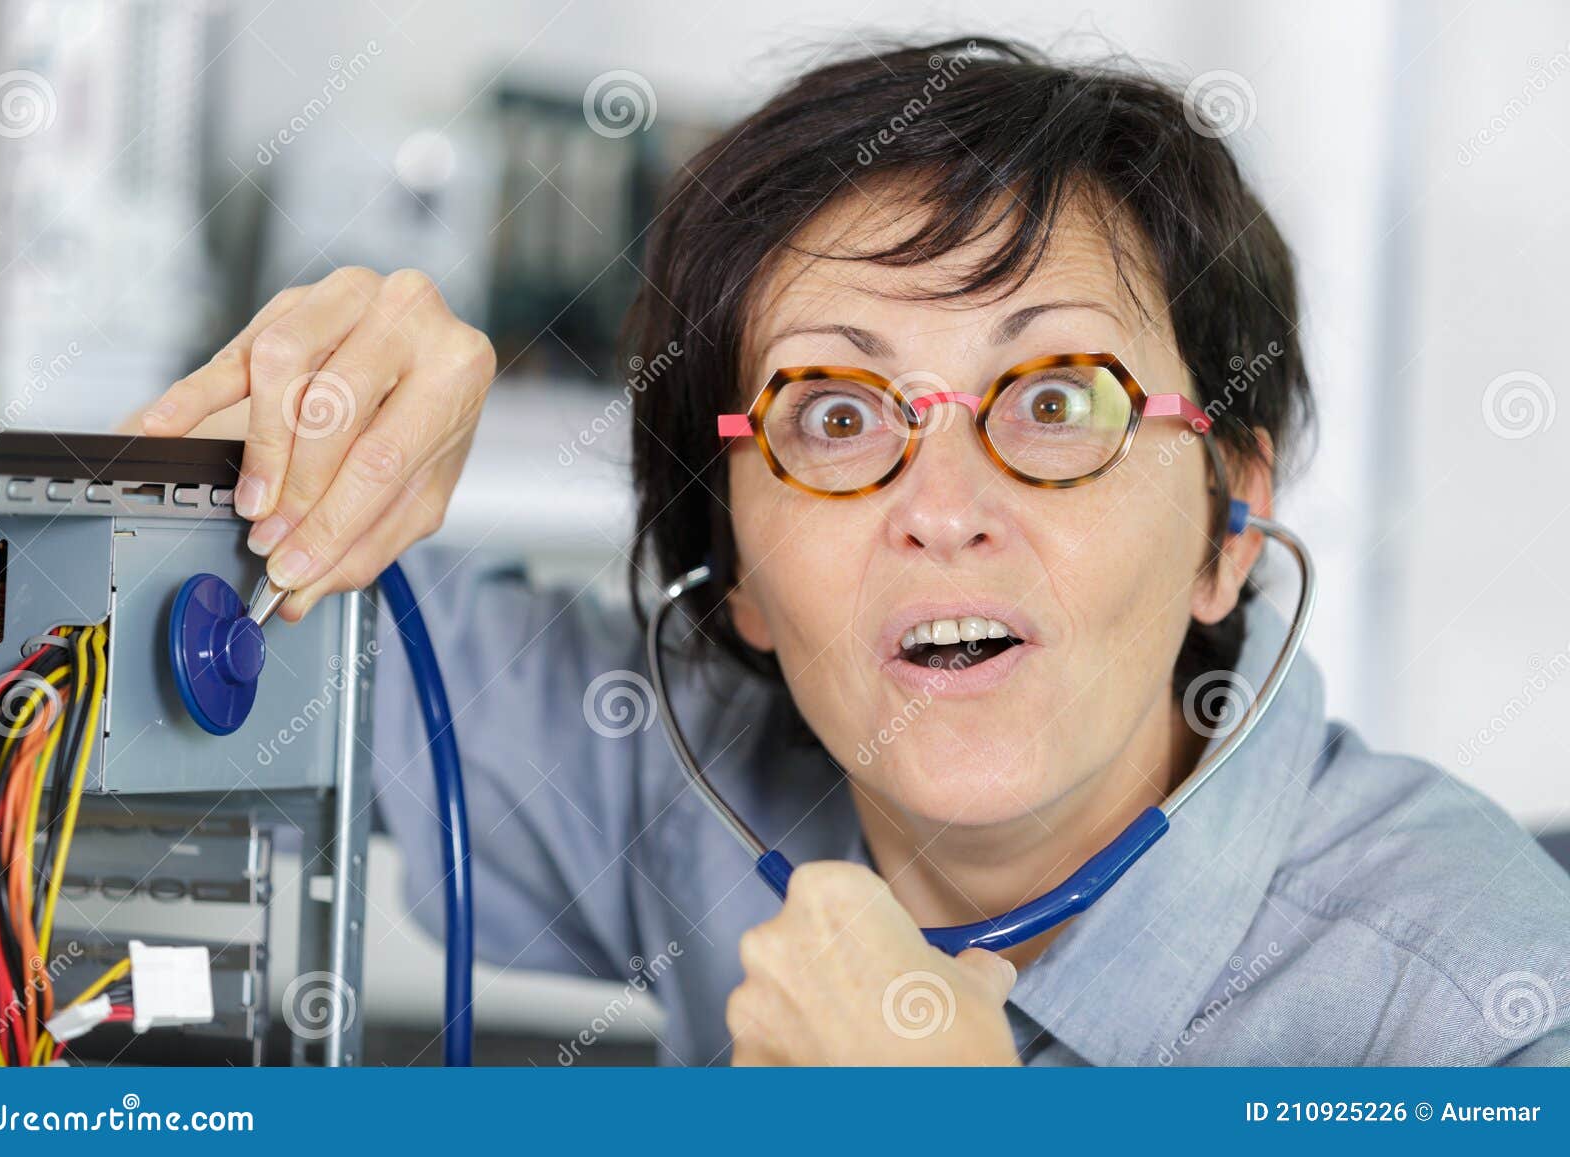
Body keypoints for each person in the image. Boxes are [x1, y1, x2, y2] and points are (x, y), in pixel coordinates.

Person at [134, 38, 1570, 1066]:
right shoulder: (676, 767)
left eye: (1057, 402)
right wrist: (294, 430)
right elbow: (170, 625)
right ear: (741, 569)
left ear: (1227, 528)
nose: (943, 506)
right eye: (833, 414)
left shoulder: (1485, 1009)